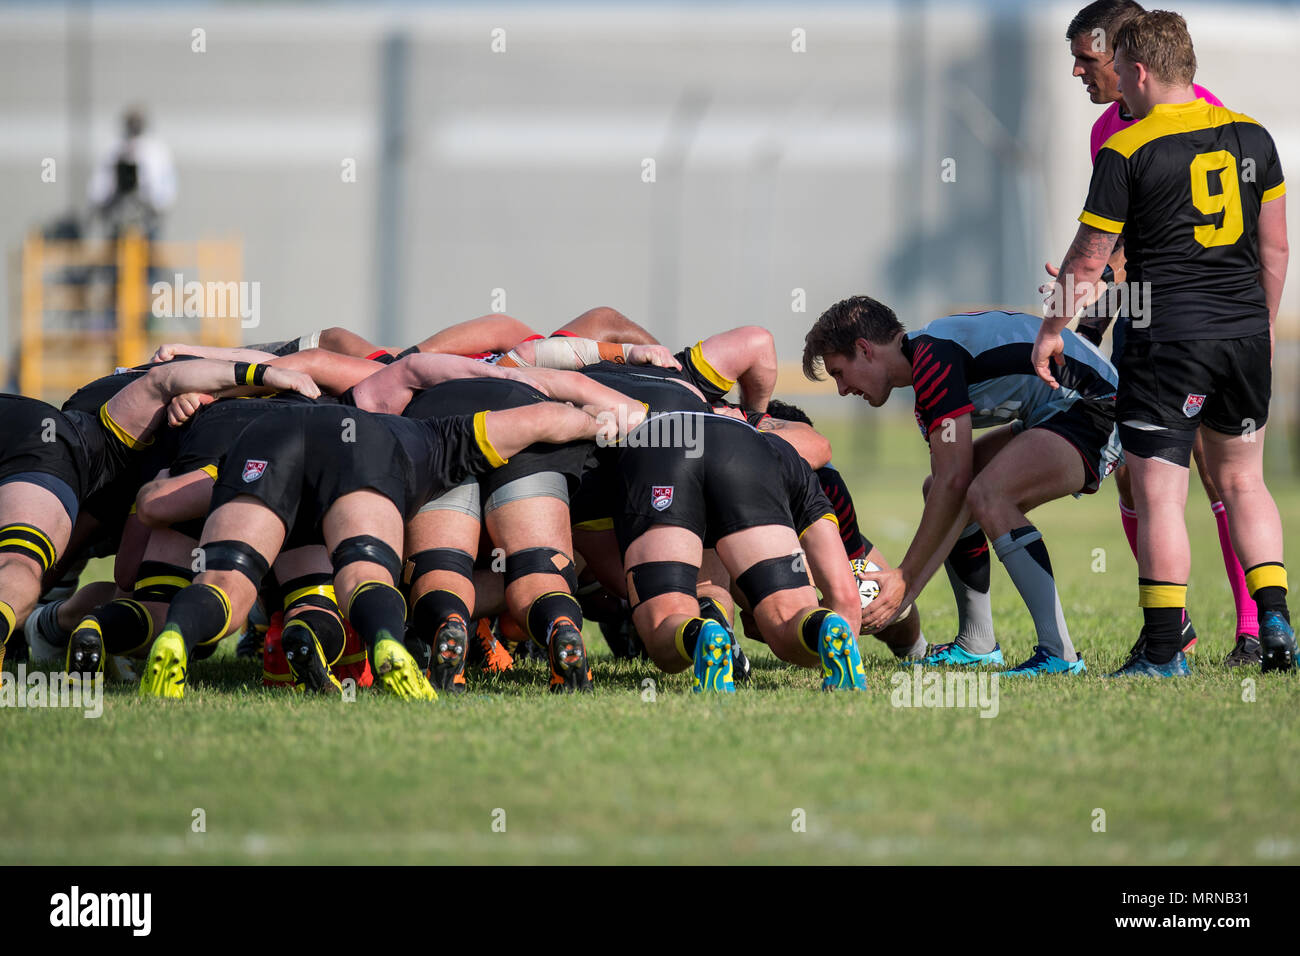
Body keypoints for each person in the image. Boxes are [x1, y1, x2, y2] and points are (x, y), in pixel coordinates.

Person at [1033, 10, 1292, 676]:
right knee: (1246, 483)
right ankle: (1277, 624)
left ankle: (1162, 651)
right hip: (1242, 335)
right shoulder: (1253, 136)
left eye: (1105, 65)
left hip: (1167, 337)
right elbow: (1275, 247)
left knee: (1158, 497)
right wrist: (1259, 323)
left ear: (1137, 70)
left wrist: (1054, 328)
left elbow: (1092, 256)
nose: (1099, 77)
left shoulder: (1129, 145)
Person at [806, 299, 1123, 676]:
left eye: (840, 373)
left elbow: (956, 483)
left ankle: (1060, 655)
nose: (842, 390)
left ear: (864, 349)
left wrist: (905, 581)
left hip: (1096, 406)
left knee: (988, 494)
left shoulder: (932, 359)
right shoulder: (926, 368)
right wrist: (906, 587)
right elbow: (946, 488)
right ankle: (977, 643)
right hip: (1055, 413)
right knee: (939, 490)